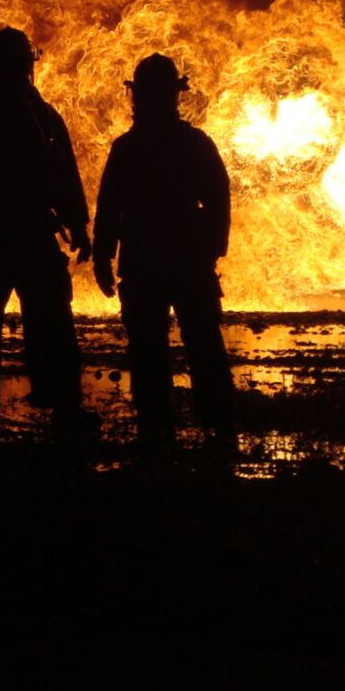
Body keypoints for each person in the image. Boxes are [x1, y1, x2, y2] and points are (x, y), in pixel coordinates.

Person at [0, 26, 96, 432]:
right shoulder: (40, 117)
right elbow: (64, 176)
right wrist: (78, 228)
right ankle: (61, 408)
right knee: (47, 326)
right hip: (22, 238)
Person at [93, 53, 235, 440]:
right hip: (185, 261)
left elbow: (109, 209)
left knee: (150, 350)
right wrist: (211, 248)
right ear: (176, 95)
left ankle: (157, 432)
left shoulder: (128, 148)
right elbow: (218, 199)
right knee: (202, 345)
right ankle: (217, 429)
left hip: (146, 261)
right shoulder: (193, 144)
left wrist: (104, 256)